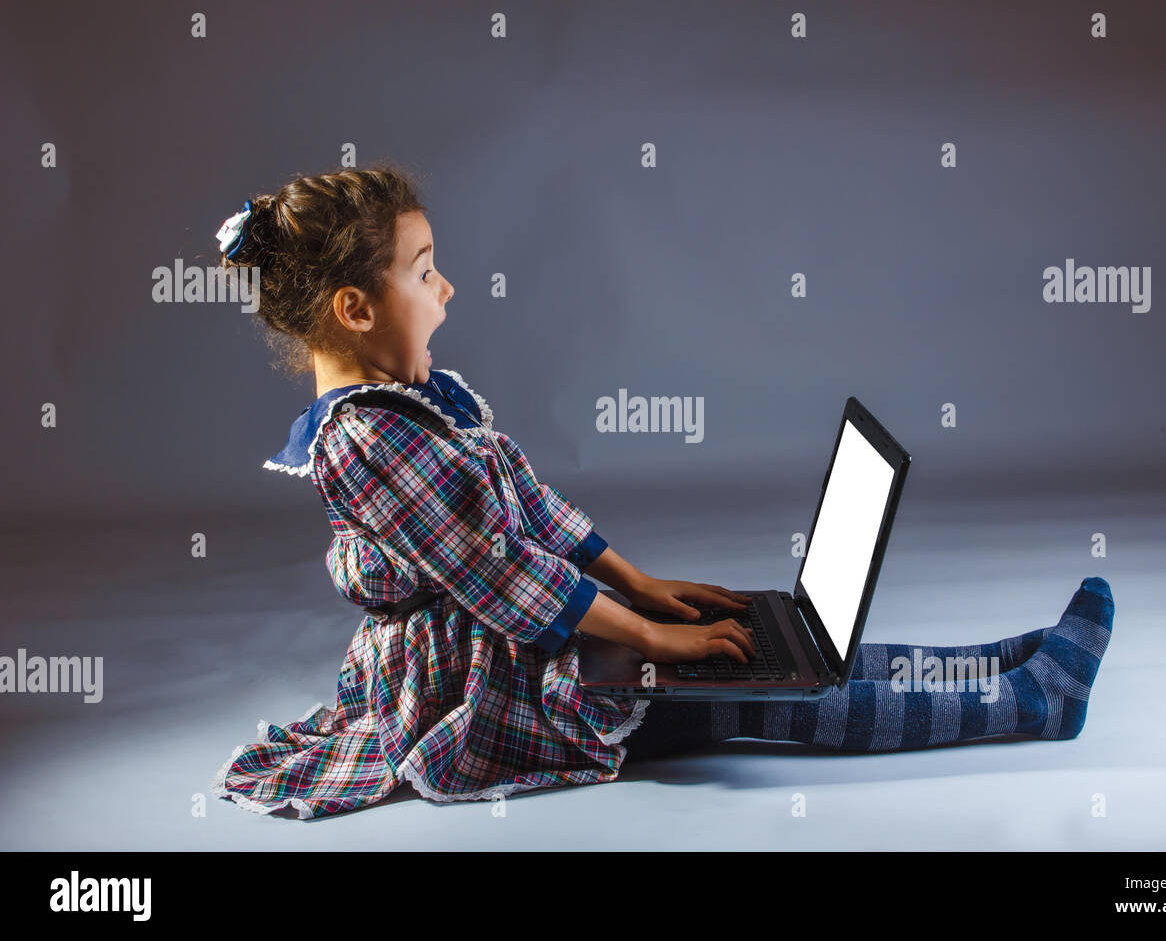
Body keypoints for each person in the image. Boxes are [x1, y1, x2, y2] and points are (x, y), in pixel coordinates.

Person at [209, 166, 1114, 819]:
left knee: (779, 648)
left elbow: (528, 508)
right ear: (356, 311)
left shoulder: (414, 400)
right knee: (766, 694)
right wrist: (644, 637)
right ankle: (1029, 701)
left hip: (536, 637)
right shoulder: (367, 440)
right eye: (422, 269)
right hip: (498, 683)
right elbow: (497, 572)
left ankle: (1001, 658)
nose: (445, 287)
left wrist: (642, 585)